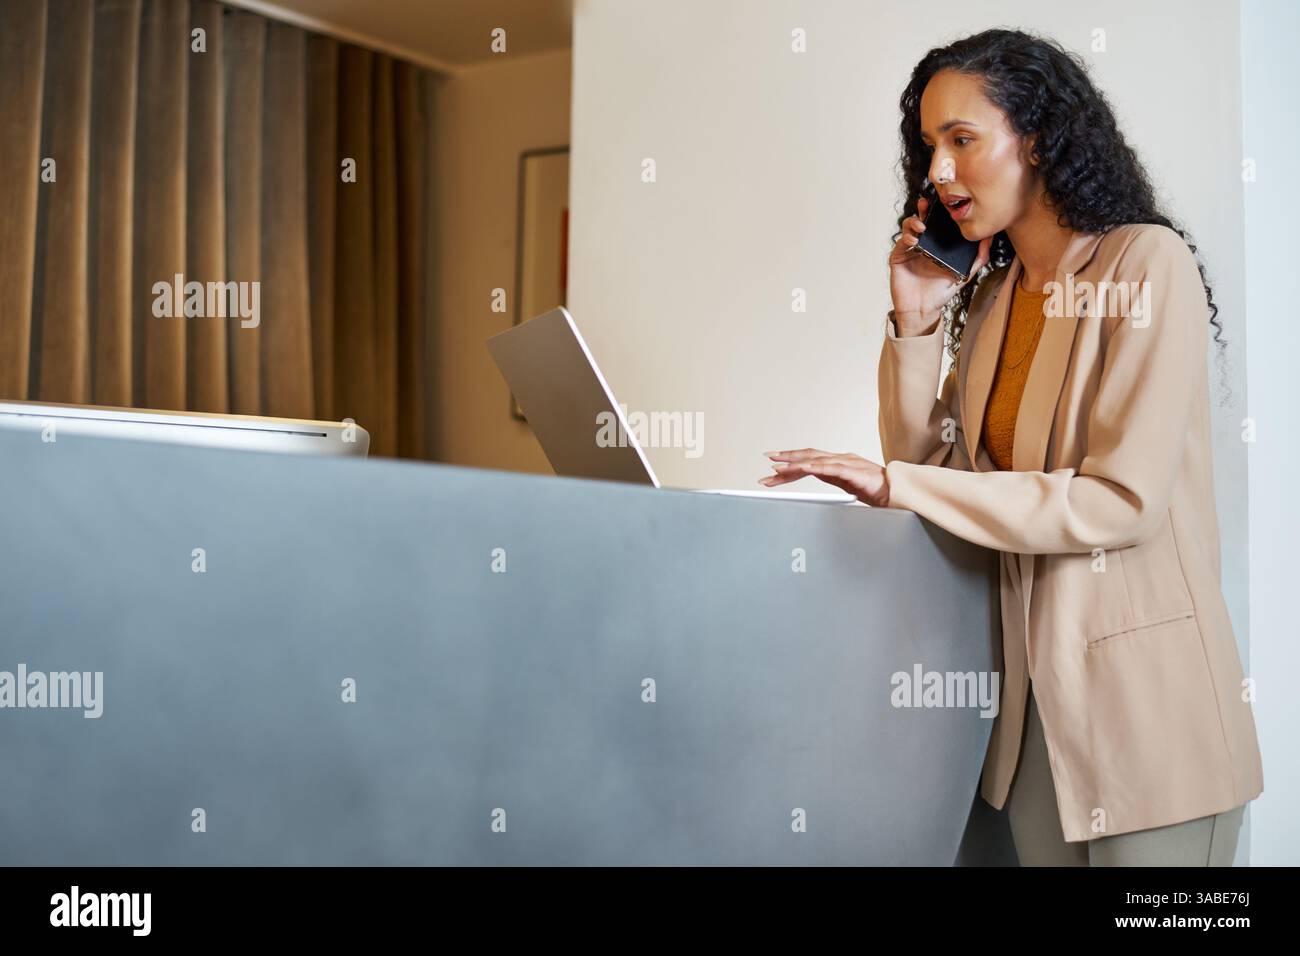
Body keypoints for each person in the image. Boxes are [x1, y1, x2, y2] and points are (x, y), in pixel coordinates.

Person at [759, 28, 1262, 866]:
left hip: (1149, 729)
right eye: (929, 147)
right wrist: (917, 317)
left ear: (1038, 139)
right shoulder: (992, 301)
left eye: (962, 141)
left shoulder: (1145, 265)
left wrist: (900, 487)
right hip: (1028, 734)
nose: (938, 174)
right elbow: (938, 478)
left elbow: (1120, 501)